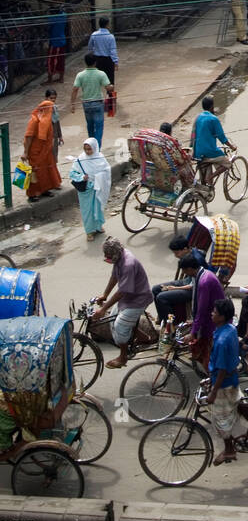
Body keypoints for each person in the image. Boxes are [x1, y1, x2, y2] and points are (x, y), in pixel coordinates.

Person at [92, 236, 154, 369]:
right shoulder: (119, 258)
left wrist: (103, 309)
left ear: (115, 253)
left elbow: (121, 292)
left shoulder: (128, 264)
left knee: (119, 325)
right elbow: (114, 276)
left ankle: (123, 357)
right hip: (128, 298)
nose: (106, 258)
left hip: (138, 299)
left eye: (108, 256)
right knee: (112, 318)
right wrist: (105, 295)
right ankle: (143, 338)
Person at [207, 298, 242, 465]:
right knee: (237, 401)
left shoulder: (222, 341)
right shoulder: (229, 329)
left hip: (224, 383)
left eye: (214, 312)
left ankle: (229, 449)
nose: (211, 314)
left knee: (220, 419)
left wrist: (214, 392)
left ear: (222, 317)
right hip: (232, 378)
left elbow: (221, 369)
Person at [178, 252, 225, 372]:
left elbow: (201, 309)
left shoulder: (204, 282)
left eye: (184, 271)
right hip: (211, 316)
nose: (184, 274)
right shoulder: (204, 274)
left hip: (214, 320)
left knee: (207, 359)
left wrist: (193, 332)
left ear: (189, 269)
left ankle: (214, 382)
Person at [22, 89, 63, 201]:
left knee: (46, 170)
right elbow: (28, 137)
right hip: (35, 152)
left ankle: (45, 189)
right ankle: (32, 194)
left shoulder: (48, 121)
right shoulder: (34, 121)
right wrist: (25, 152)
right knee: (35, 172)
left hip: (46, 150)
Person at [152, 235, 202, 325]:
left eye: (177, 253)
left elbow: (193, 285)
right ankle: (163, 318)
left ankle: (171, 324)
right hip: (185, 282)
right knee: (155, 289)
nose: (176, 256)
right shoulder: (188, 254)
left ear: (185, 249)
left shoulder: (196, 260)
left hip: (192, 290)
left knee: (161, 298)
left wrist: (174, 288)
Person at [68, 136, 111, 239]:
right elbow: (72, 173)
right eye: (85, 149)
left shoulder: (100, 158)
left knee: (97, 208)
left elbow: (107, 170)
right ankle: (89, 231)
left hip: (97, 188)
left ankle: (98, 226)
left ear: (95, 148)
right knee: (87, 210)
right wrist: (82, 177)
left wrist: (98, 177)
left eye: (89, 149)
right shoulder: (80, 160)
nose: (87, 151)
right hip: (86, 190)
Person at [191, 95, 236, 185]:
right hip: (210, 152)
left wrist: (192, 150)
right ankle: (210, 177)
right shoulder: (213, 119)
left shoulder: (197, 118)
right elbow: (221, 137)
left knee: (204, 179)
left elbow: (193, 135)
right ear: (212, 106)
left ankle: (206, 186)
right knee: (228, 163)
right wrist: (232, 146)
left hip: (197, 152)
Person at [70, 54, 113, 146]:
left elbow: (75, 89)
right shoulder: (101, 74)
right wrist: (111, 86)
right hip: (97, 103)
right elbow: (108, 88)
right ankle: (96, 148)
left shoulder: (80, 75)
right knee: (99, 127)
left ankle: (90, 145)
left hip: (86, 103)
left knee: (90, 126)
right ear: (95, 62)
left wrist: (72, 104)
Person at [87, 17, 119, 86]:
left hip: (97, 60)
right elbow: (113, 50)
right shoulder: (110, 36)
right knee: (110, 80)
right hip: (108, 60)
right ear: (107, 25)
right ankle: (111, 96)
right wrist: (115, 62)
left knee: (97, 79)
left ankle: (96, 95)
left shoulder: (94, 35)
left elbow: (90, 48)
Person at [46, 5, 68, 84]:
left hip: (55, 42)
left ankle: (50, 79)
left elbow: (48, 26)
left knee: (51, 61)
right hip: (62, 40)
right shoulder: (64, 15)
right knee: (61, 60)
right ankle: (61, 78)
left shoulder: (52, 18)